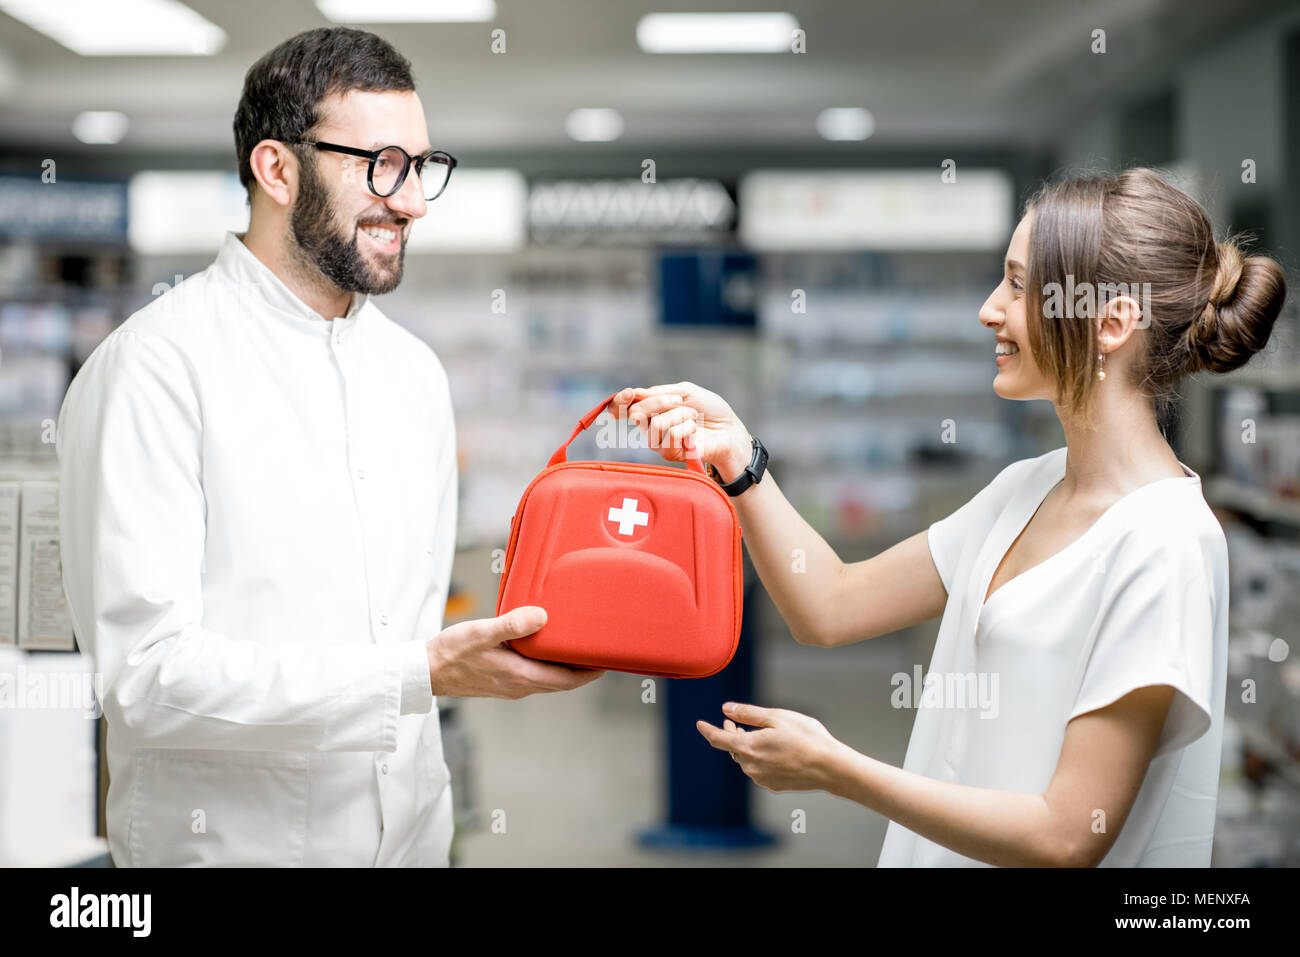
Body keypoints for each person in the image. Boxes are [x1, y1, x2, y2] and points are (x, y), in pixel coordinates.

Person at [615, 167, 1286, 866]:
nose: (989, 309)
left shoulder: (1164, 544)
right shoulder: (1025, 487)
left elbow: (1067, 834)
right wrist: (740, 460)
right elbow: (830, 605)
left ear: (1111, 322)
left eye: (1021, 285)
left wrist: (837, 769)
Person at [57, 27, 600, 868]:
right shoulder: (153, 370)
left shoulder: (415, 376)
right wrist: (415, 675)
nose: (413, 200)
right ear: (277, 170)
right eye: (381, 163)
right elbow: (147, 682)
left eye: (422, 166)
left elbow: (409, 622)